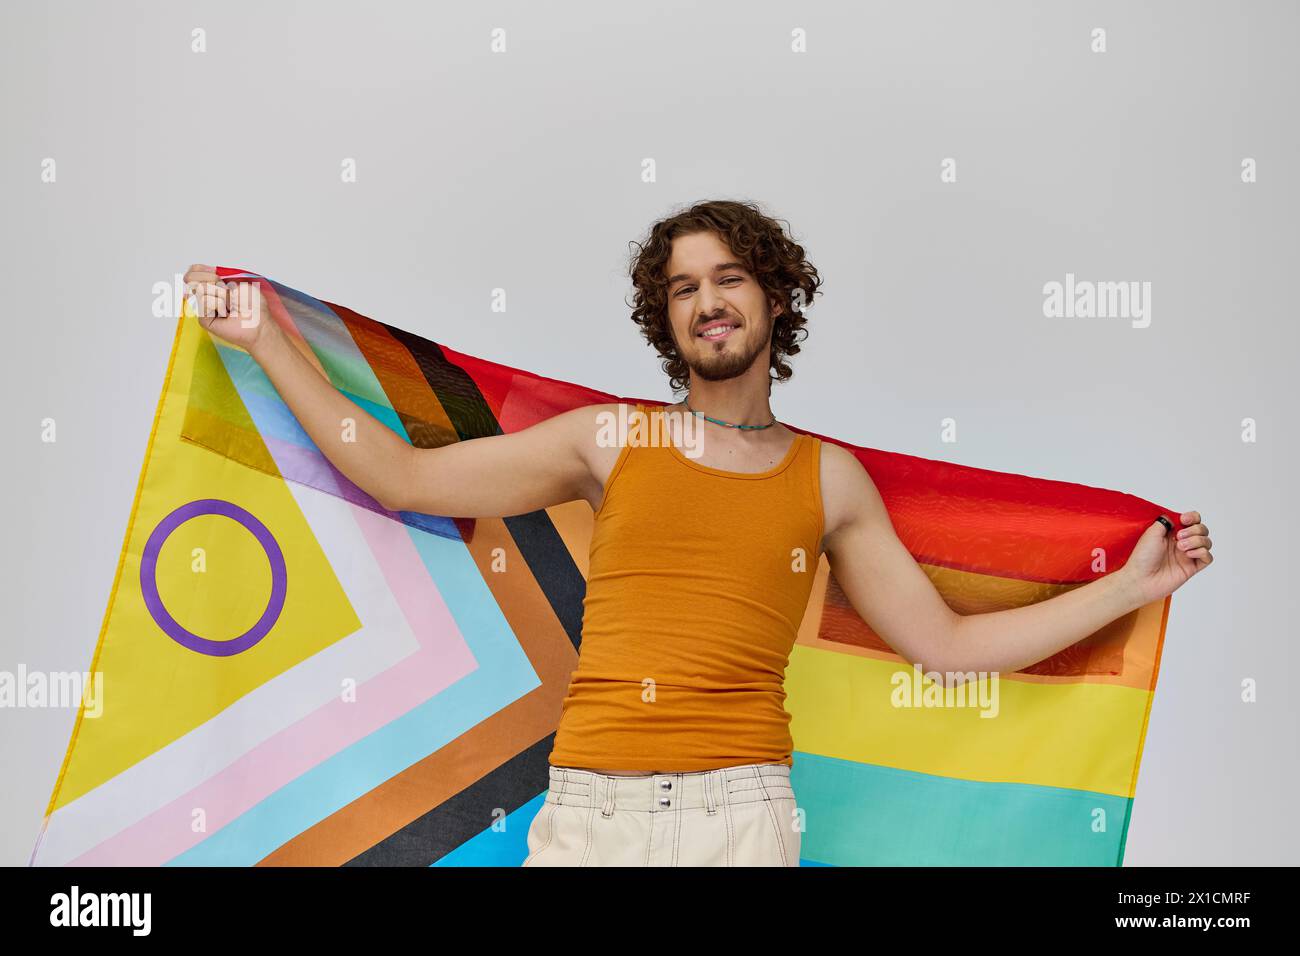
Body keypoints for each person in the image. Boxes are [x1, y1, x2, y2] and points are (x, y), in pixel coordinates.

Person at [181, 199, 1214, 867]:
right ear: (662, 320)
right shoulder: (609, 439)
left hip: (742, 820)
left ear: (772, 297)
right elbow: (397, 474)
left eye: (726, 278)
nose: (706, 301)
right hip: (589, 817)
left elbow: (944, 645)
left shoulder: (830, 479)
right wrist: (264, 333)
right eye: (682, 287)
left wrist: (1128, 587)